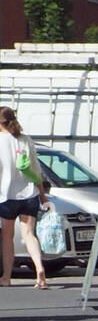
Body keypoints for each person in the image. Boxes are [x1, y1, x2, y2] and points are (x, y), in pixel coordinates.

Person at [0, 106, 49, 289]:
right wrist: (43, 196)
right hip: (30, 194)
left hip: (6, 196)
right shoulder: (26, 140)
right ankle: (40, 270)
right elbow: (36, 171)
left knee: (7, 237)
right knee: (29, 234)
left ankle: (6, 277)